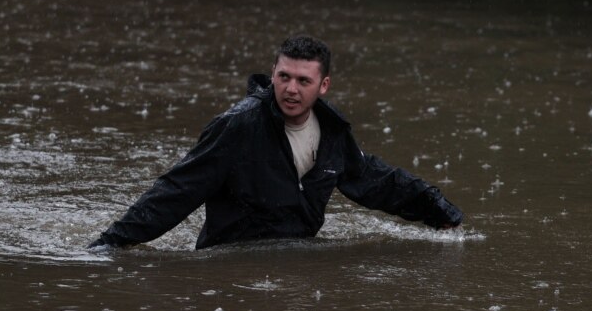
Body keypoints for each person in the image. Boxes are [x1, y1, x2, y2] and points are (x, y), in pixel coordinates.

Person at [88, 35, 462, 250]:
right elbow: (177, 190)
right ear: (272, 75)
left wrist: (438, 212)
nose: (291, 89)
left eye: (303, 81)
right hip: (231, 266)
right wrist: (111, 245)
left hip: (297, 265)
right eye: (284, 77)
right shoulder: (237, 127)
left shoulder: (332, 132)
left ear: (323, 85)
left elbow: (372, 179)